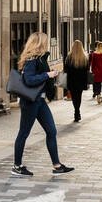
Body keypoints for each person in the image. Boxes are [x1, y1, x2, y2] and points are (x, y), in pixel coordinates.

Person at [12, 33, 74, 177]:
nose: (47, 44)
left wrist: (50, 73)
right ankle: (16, 166)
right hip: (30, 102)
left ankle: (57, 166)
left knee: (51, 131)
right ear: (39, 44)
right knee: (23, 133)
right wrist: (48, 75)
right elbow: (29, 80)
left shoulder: (40, 59)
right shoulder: (31, 60)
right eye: (45, 42)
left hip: (39, 101)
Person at [64, 39, 89, 121]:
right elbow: (87, 70)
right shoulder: (84, 58)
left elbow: (66, 70)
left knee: (74, 97)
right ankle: (77, 112)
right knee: (79, 96)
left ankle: (76, 112)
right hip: (81, 81)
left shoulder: (69, 57)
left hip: (72, 81)